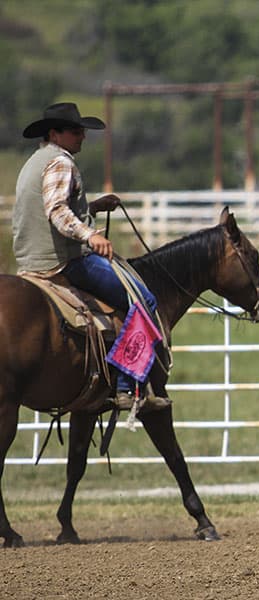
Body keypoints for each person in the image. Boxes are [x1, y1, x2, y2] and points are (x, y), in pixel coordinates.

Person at [14, 102, 167, 411]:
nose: (82, 136)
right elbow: (56, 210)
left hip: (29, 260)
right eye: (75, 131)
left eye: (82, 131)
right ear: (55, 134)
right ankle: (129, 387)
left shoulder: (35, 161)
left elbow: (50, 207)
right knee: (144, 300)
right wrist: (91, 234)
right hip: (64, 260)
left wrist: (91, 208)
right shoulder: (61, 162)